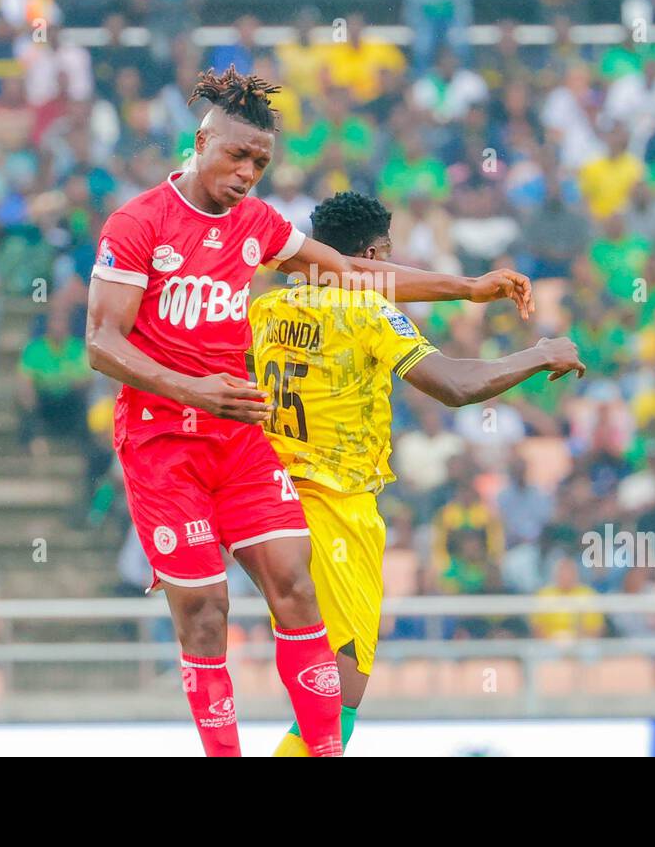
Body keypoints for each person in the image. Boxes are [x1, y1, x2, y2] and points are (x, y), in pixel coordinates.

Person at [84, 66, 533, 757]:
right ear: (200, 141)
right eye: (237, 155)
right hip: (162, 443)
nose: (247, 173)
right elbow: (100, 342)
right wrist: (188, 388)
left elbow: (352, 273)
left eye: (260, 162)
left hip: (237, 439)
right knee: (207, 614)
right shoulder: (139, 223)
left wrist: (466, 287)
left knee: (294, 584)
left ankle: (323, 749)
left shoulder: (259, 227)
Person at [249, 191, 584, 755]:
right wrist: (539, 354)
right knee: (338, 701)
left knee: (320, 700)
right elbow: (453, 385)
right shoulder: (366, 311)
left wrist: (466, 289)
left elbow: (356, 280)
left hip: (268, 501)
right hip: (334, 505)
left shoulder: (268, 307)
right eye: (390, 253)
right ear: (376, 252)